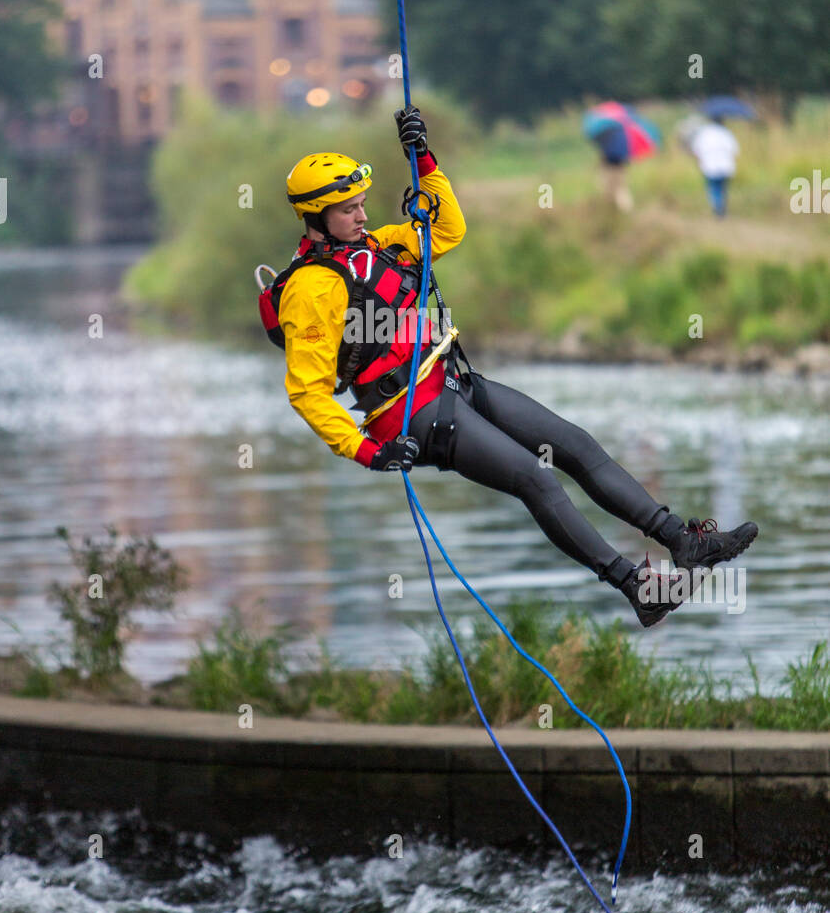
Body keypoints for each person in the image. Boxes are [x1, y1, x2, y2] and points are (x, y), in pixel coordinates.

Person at [263, 107, 758, 628]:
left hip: (453, 380)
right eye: (347, 210)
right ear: (315, 217)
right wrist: (369, 453)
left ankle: (684, 541)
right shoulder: (310, 289)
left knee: (576, 445)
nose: (361, 216)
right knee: (535, 479)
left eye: (361, 204)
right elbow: (308, 393)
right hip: (409, 413)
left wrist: (424, 160)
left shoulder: (382, 245)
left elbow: (450, 228)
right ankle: (635, 586)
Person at [688, 117, 740, 217]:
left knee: (713, 188)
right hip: (725, 165)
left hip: (709, 165)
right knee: (722, 188)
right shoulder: (726, 133)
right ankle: (721, 207)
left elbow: (696, 150)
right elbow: (735, 150)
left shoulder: (704, 133)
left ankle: (717, 207)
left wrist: (699, 161)